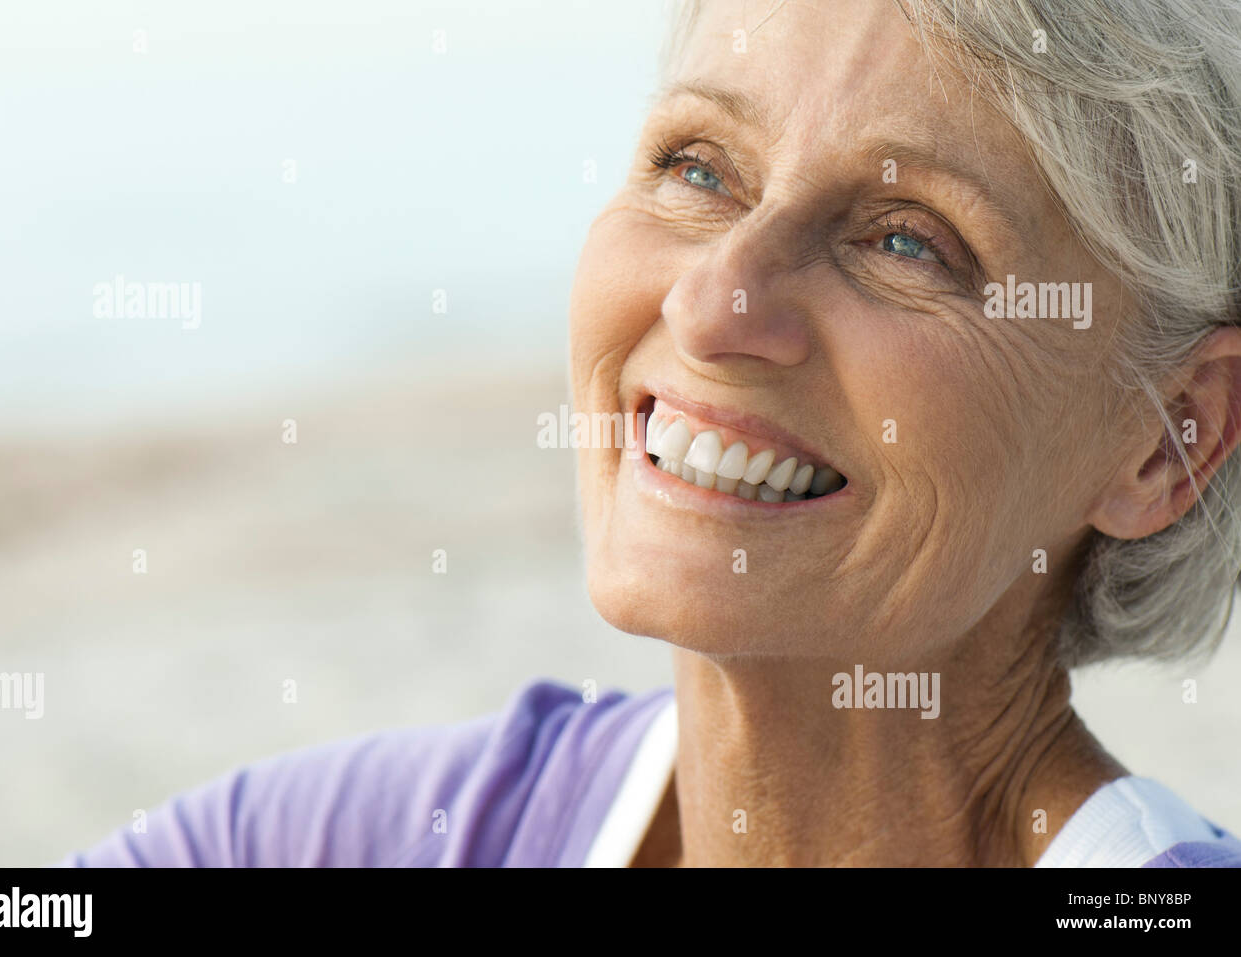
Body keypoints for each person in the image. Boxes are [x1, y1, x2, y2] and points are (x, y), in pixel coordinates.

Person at [63, 0, 1241, 867]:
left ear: (1167, 441)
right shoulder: (334, 842)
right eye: (699, 169)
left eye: (906, 240)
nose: (712, 303)